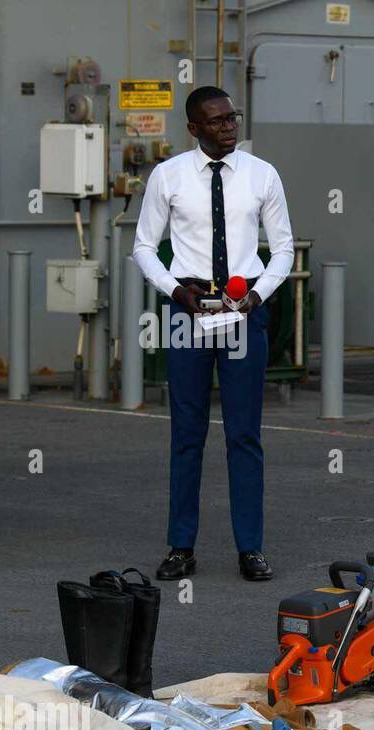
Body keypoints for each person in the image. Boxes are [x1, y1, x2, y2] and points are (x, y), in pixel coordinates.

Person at [133, 85, 293, 582]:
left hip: (244, 314)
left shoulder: (262, 174)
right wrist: (173, 290)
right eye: (217, 121)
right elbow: (142, 246)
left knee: (244, 435)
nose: (229, 127)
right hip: (188, 316)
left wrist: (258, 296)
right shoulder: (169, 176)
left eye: (232, 117)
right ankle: (181, 546)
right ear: (193, 128)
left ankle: (251, 549)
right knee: (187, 433)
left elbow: (283, 248)